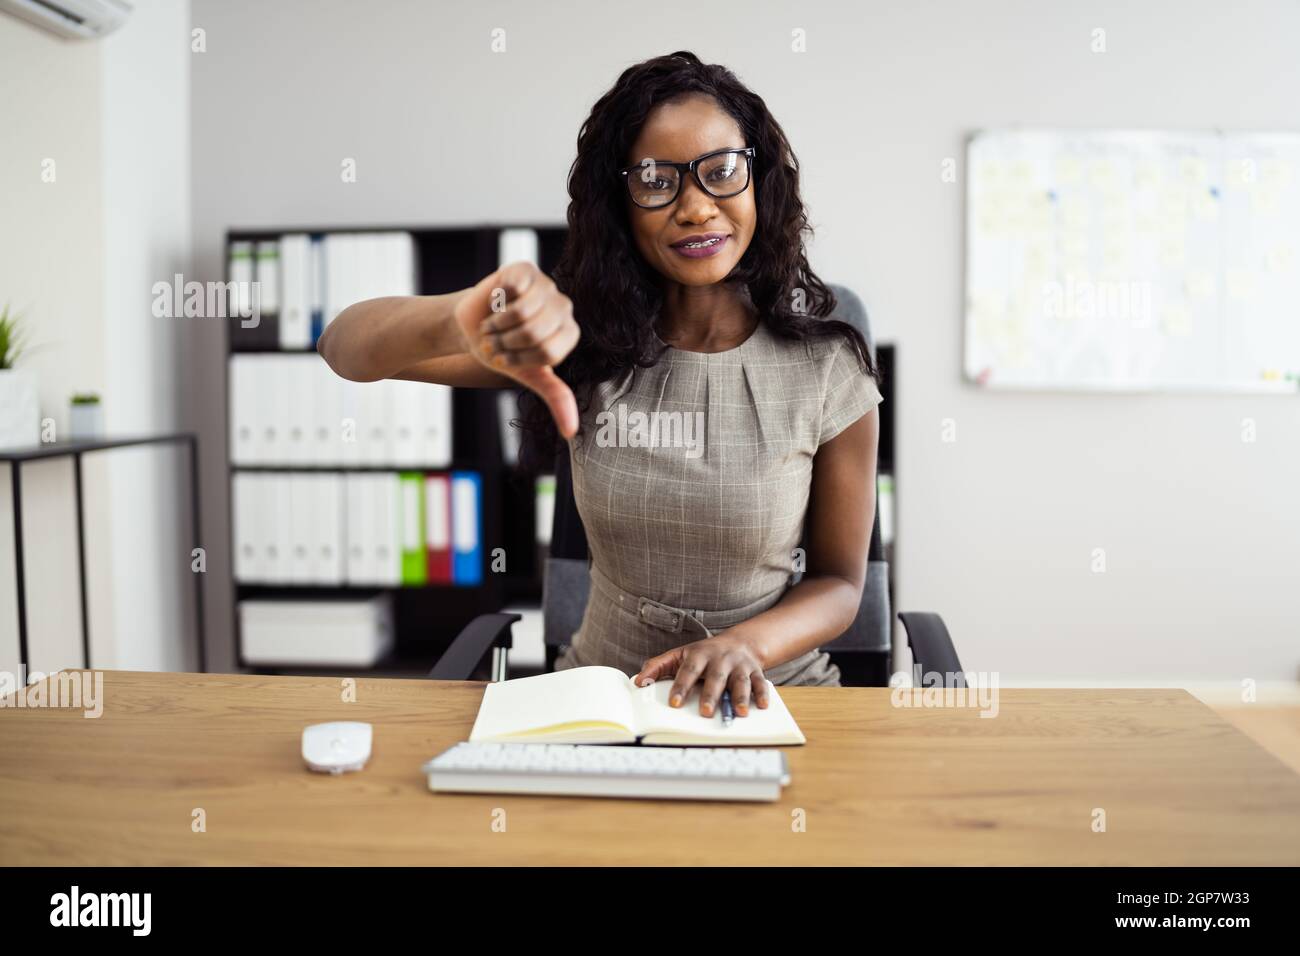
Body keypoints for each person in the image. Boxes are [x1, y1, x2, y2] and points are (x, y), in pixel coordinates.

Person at [318, 51, 883, 719]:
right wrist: (459, 313)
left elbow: (841, 584)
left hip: (773, 700)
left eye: (722, 172)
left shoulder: (828, 367)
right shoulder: (579, 346)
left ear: (759, 180)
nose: (697, 208)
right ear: (621, 204)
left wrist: (744, 645)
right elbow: (344, 348)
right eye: (656, 180)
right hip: (602, 698)